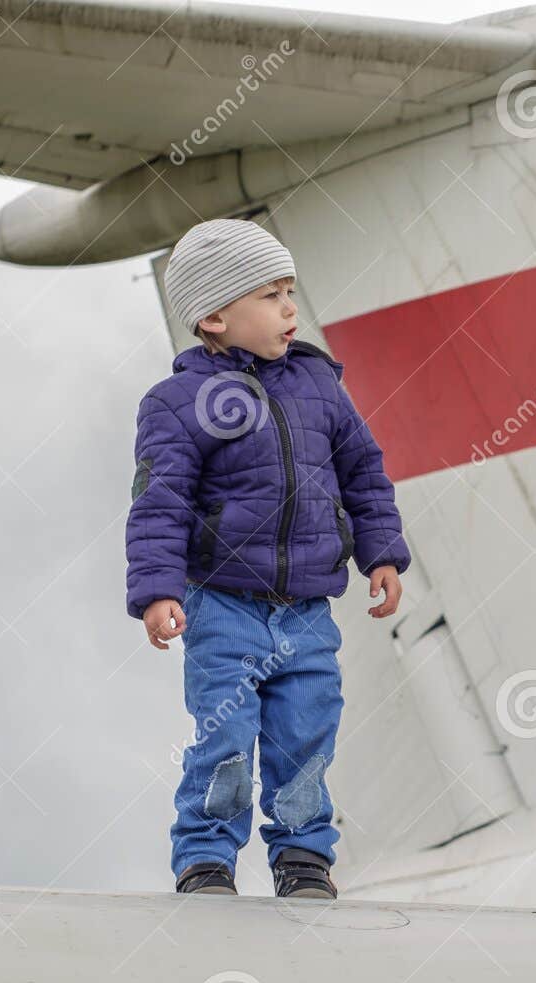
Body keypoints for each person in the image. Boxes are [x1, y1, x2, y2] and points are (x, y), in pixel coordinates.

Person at [124, 218, 411, 900]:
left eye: (291, 291)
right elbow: (159, 501)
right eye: (271, 295)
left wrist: (383, 553)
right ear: (215, 316)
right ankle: (205, 856)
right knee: (228, 739)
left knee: (306, 734)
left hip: (307, 609)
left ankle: (304, 857)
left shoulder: (319, 386)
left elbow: (364, 472)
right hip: (222, 604)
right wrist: (158, 589)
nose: (291, 308)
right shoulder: (176, 403)